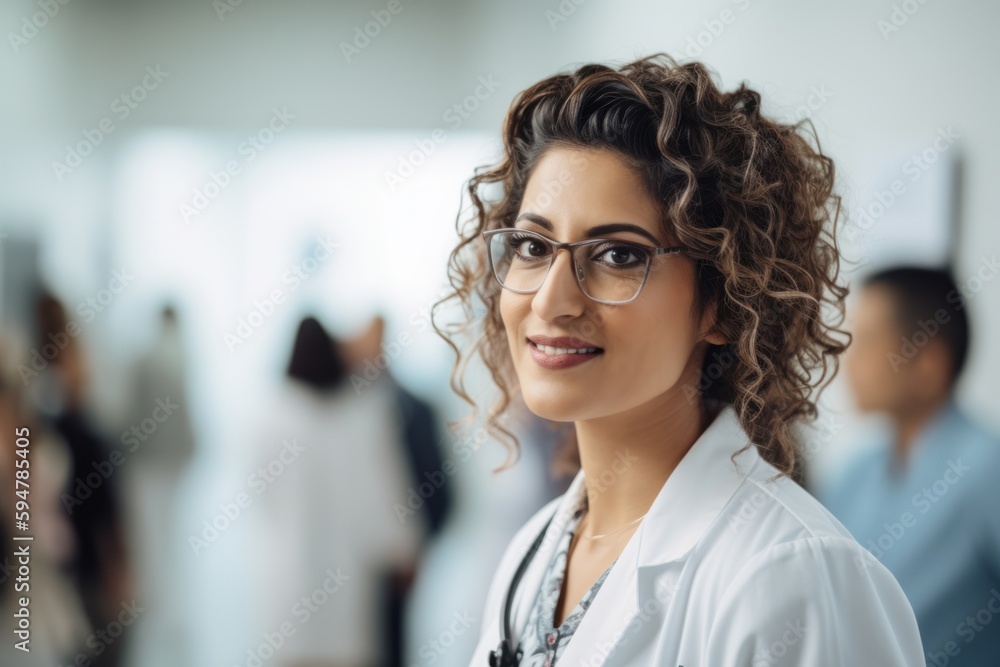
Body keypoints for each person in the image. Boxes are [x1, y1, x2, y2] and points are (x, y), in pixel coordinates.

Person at [433, 53, 924, 666]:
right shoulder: (532, 556)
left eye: (618, 256)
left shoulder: (790, 576)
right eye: (534, 246)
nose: (552, 301)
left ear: (721, 299)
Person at [816, 266, 1000, 666]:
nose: (849, 360)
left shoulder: (988, 470)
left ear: (929, 363)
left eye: (867, 341)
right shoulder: (855, 473)